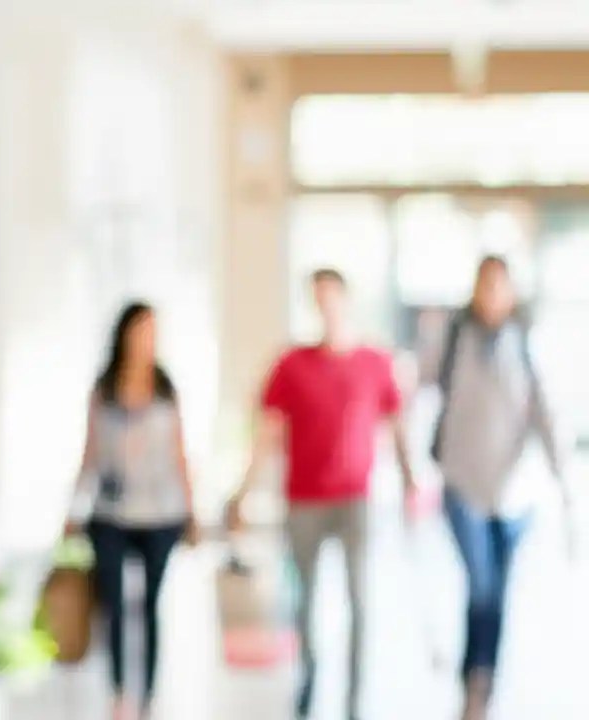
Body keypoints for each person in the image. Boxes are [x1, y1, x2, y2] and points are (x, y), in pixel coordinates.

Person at [226, 268, 415, 720]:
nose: (327, 309)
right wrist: (243, 494)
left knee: (359, 598)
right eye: (319, 300)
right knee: (305, 599)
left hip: (356, 498)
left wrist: (411, 480)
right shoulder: (291, 365)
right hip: (305, 500)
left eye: (333, 299)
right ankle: (309, 677)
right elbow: (267, 435)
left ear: (347, 301)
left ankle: (356, 694)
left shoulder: (374, 361)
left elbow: (396, 424)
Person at [430, 256, 569, 720]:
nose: (492, 295)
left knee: (499, 595)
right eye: (484, 285)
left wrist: (564, 486)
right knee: (481, 586)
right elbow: (423, 390)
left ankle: (483, 679)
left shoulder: (527, 342)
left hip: (514, 495)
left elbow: (545, 415)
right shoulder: (455, 337)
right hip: (462, 485)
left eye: (500, 286)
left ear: (511, 292)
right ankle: (473, 678)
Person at [65, 302, 199, 720]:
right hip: (110, 513)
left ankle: (149, 696)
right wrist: (70, 510)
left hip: (160, 514)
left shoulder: (165, 389)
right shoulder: (103, 391)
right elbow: (88, 455)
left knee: (151, 606)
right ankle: (121, 691)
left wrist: (193, 510)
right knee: (116, 605)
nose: (147, 341)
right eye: (141, 331)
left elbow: (180, 454)